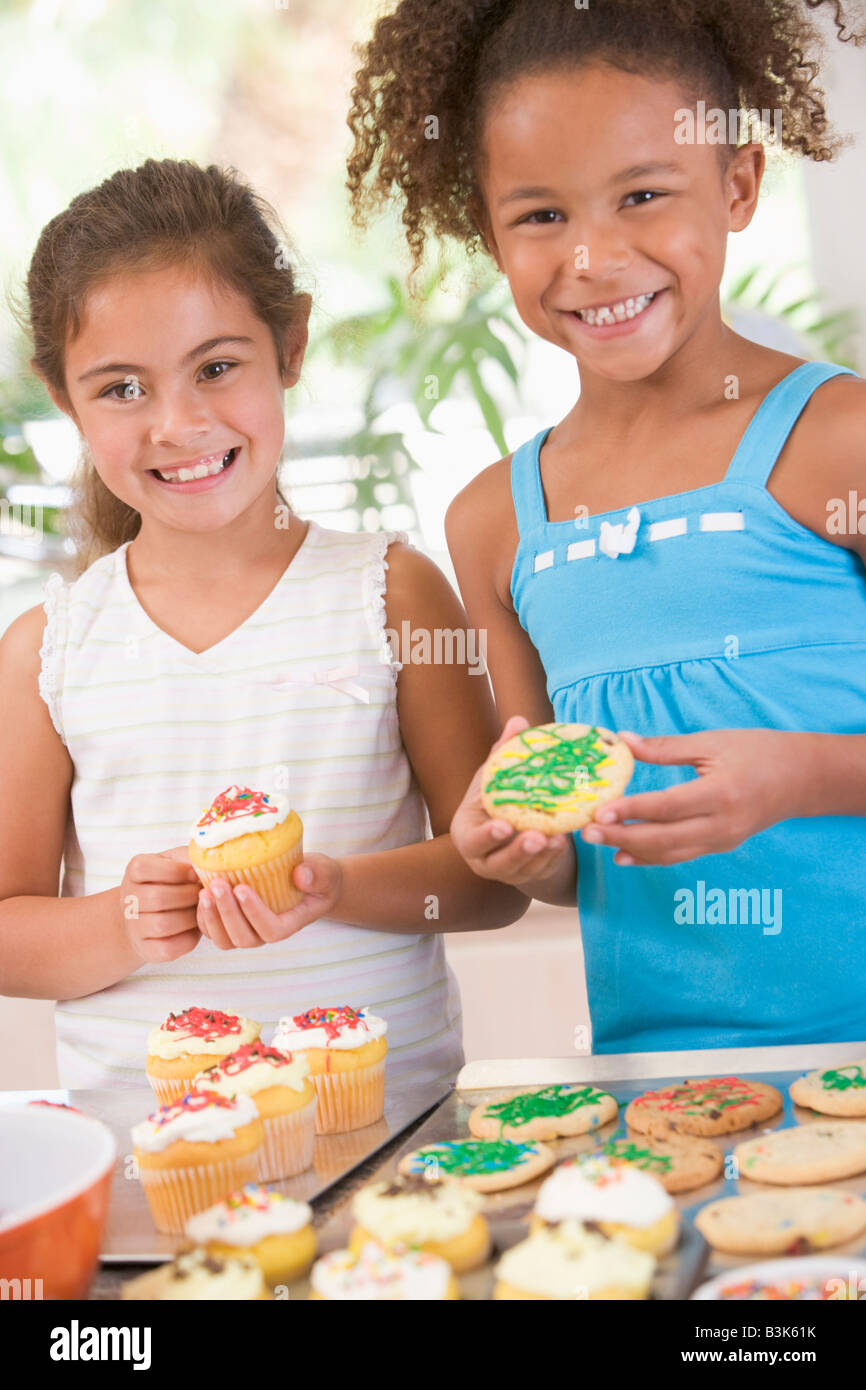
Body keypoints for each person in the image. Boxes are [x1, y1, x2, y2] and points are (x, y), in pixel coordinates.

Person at [347, 0, 866, 1052]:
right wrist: (524, 852)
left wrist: (794, 777)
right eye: (540, 216)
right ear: (485, 231)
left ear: (736, 185)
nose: (591, 257)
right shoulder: (493, 522)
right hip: (658, 1080)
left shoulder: (837, 438)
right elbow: (563, 849)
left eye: (641, 195)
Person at [0, 158, 525, 1088]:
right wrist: (127, 919)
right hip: (148, 1155)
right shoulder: (49, 648)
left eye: (216, 367)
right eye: (121, 388)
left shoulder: (394, 593)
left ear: (290, 344)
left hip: (391, 1143)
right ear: (62, 395)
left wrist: (333, 888)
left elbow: (490, 883)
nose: (180, 423)